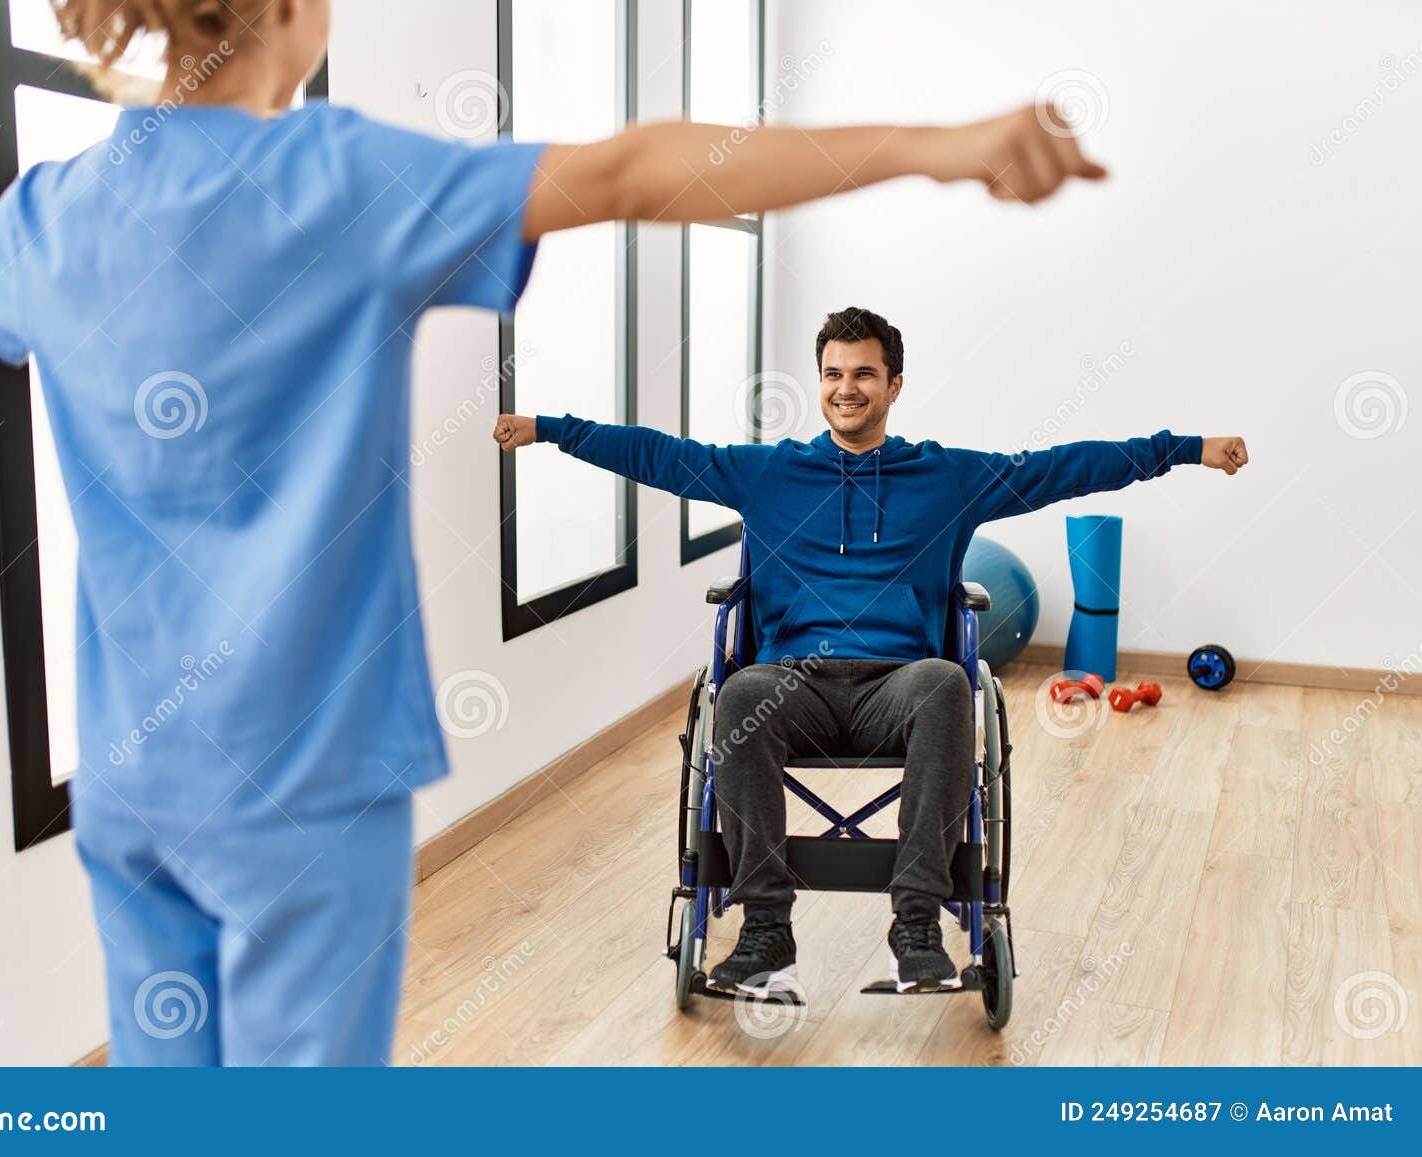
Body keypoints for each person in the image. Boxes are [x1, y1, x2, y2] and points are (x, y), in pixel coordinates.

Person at [0, 0, 1107, 1063]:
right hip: (307, 777)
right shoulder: (339, 182)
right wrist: (932, 145)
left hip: (131, 781)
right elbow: (628, 172)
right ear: (290, 11)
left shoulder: (54, 214)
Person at [494, 306, 1248, 994]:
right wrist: (551, 428)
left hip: (899, 686)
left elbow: (1063, 467)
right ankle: (765, 929)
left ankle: (916, 923)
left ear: (894, 385)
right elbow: (659, 455)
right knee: (741, 692)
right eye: (832, 374)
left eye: (863, 374)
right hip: (793, 685)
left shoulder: (947, 476)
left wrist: (1185, 450)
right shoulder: (771, 473)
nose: (845, 389)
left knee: (946, 684)